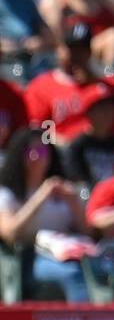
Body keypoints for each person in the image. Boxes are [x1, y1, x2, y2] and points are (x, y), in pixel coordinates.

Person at [0, 125, 96, 300]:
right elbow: (10, 233)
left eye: (42, 151)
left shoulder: (65, 189)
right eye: (30, 151)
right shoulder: (7, 194)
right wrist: (40, 197)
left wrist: (74, 201)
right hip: (31, 257)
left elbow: (88, 232)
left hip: (75, 252)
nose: (36, 157)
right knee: (71, 274)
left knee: (100, 270)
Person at [22, 18, 114, 143]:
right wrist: (64, 146)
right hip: (62, 155)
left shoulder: (111, 84)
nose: (77, 55)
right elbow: (36, 132)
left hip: (107, 154)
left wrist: (96, 83)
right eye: (72, 50)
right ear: (59, 50)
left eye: (82, 50)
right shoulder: (41, 87)